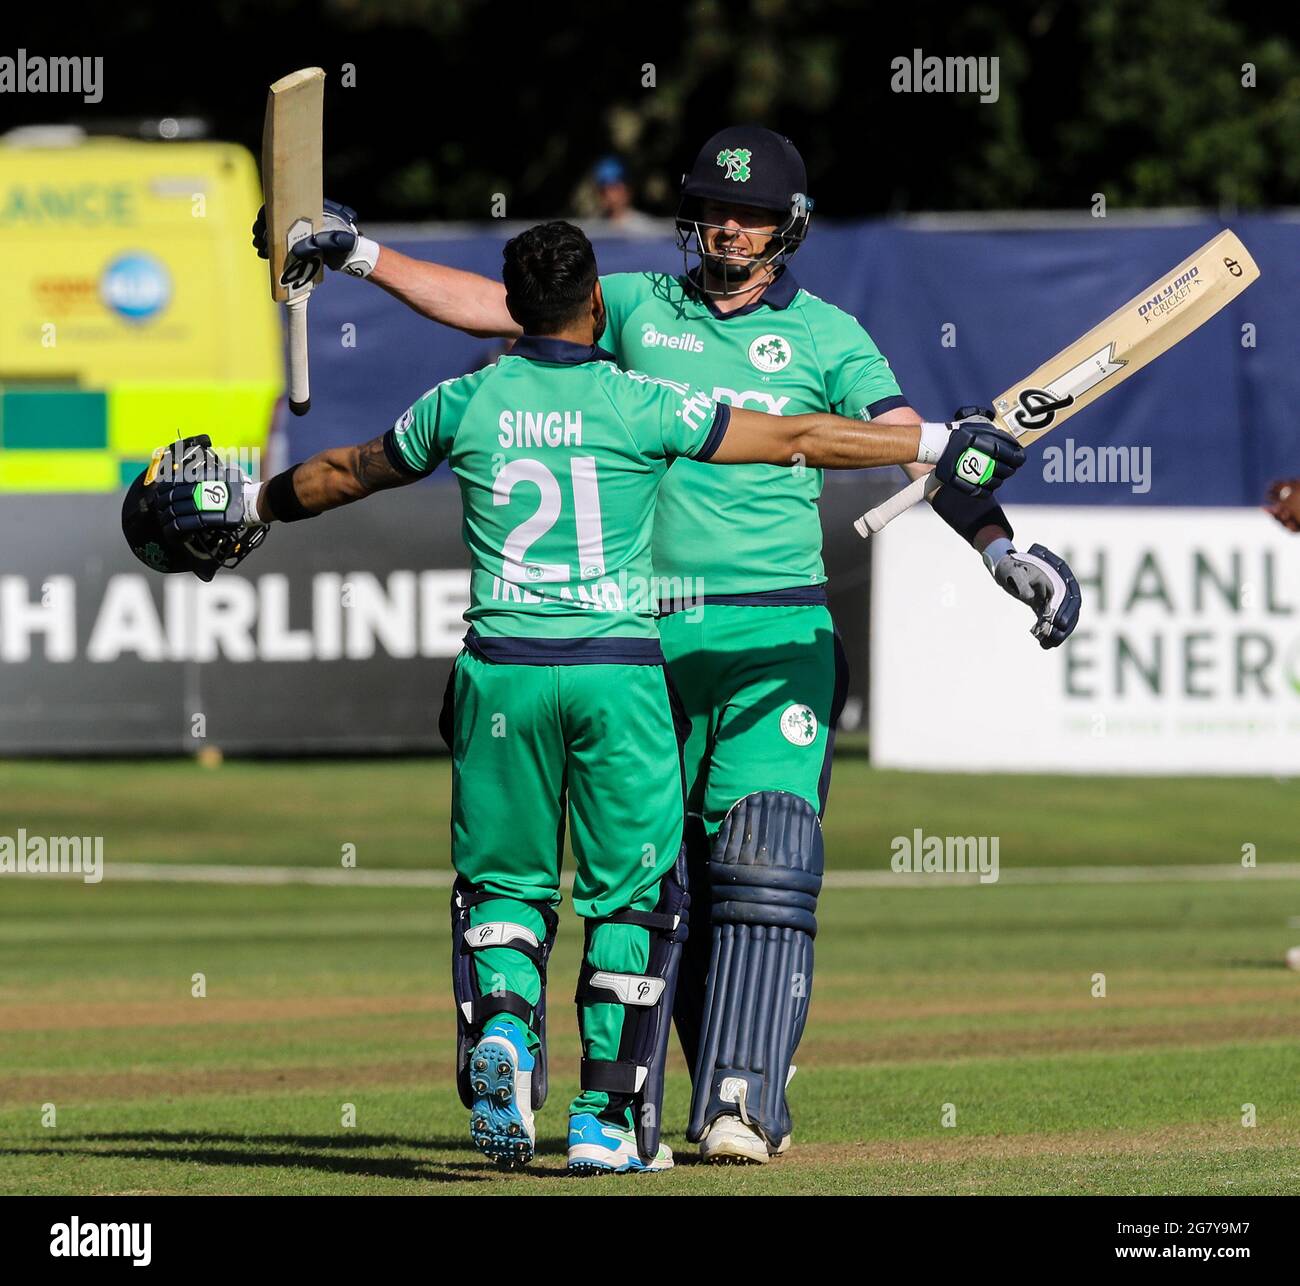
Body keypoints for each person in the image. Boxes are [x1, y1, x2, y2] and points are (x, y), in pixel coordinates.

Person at [252, 126, 1079, 1164]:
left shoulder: (830, 337)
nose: (729, 229)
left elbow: (916, 449)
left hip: (775, 629)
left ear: (790, 227)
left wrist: (1001, 549)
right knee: (649, 884)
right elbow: (492, 305)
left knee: (764, 858)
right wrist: (359, 256)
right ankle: (619, 1108)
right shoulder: (636, 304)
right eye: (715, 210)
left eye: (752, 216)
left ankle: (734, 1098)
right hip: (640, 640)